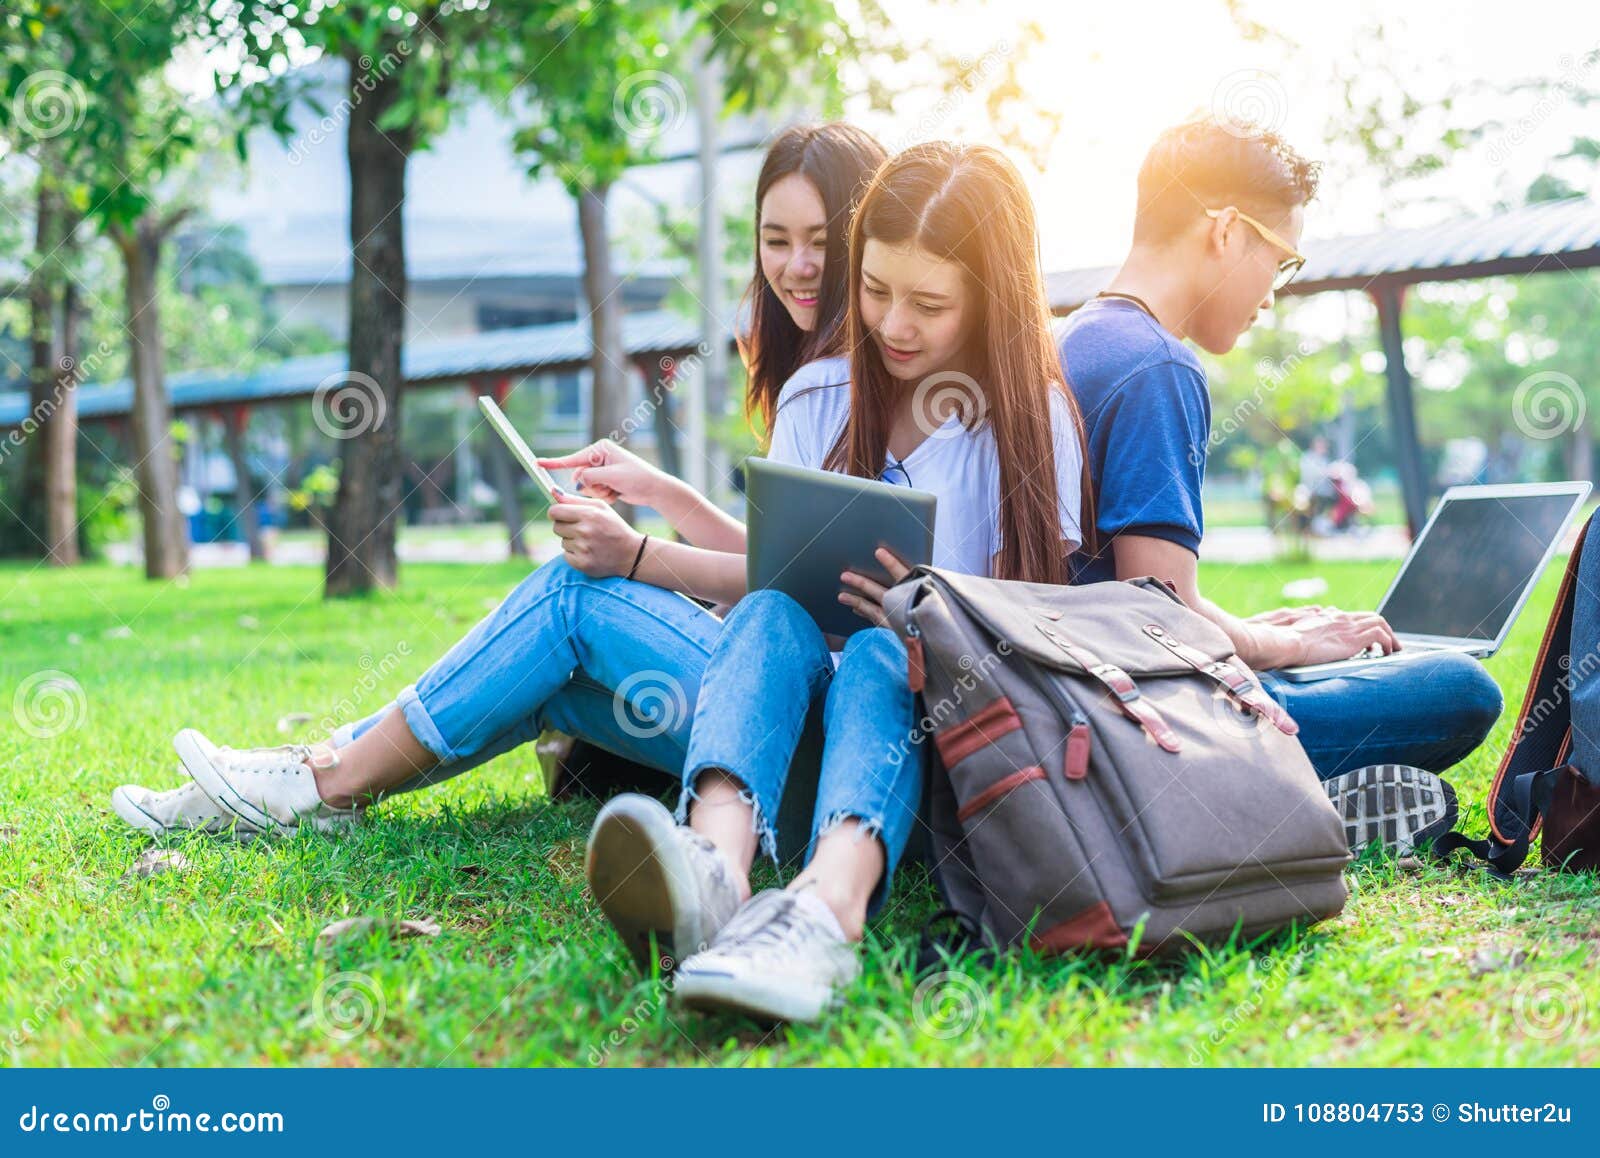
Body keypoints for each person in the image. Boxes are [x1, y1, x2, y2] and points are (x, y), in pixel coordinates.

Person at [108, 123, 889, 839]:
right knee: (540, 678)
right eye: (774, 239)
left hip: (811, 737)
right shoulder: (829, 375)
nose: (796, 266)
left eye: (823, 241)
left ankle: (314, 783)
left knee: (568, 597)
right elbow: (793, 559)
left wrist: (635, 555)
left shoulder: (840, 385)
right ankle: (290, 788)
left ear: (870, 241)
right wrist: (668, 494)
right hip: (796, 733)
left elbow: (807, 585)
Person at [584, 142, 1091, 1023]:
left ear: (991, 297)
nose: (893, 325)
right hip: (798, 728)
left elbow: (1053, 620)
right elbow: (769, 577)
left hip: (939, 737)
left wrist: (931, 613)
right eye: (877, 290)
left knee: (878, 653)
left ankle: (825, 911)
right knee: (773, 605)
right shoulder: (818, 396)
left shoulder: (1033, 419)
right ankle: (713, 872)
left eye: (929, 304)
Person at [1056, 118, 1501, 830]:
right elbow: (1160, 621)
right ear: (1227, 232)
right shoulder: (1157, 365)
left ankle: (1301, 796)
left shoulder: (1074, 337)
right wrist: (1294, 645)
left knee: (1332, 663)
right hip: (1146, 725)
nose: (1272, 295)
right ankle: (1271, 805)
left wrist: (1253, 632)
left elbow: (1122, 592)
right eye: (1283, 260)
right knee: (1460, 688)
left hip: (1077, 701)